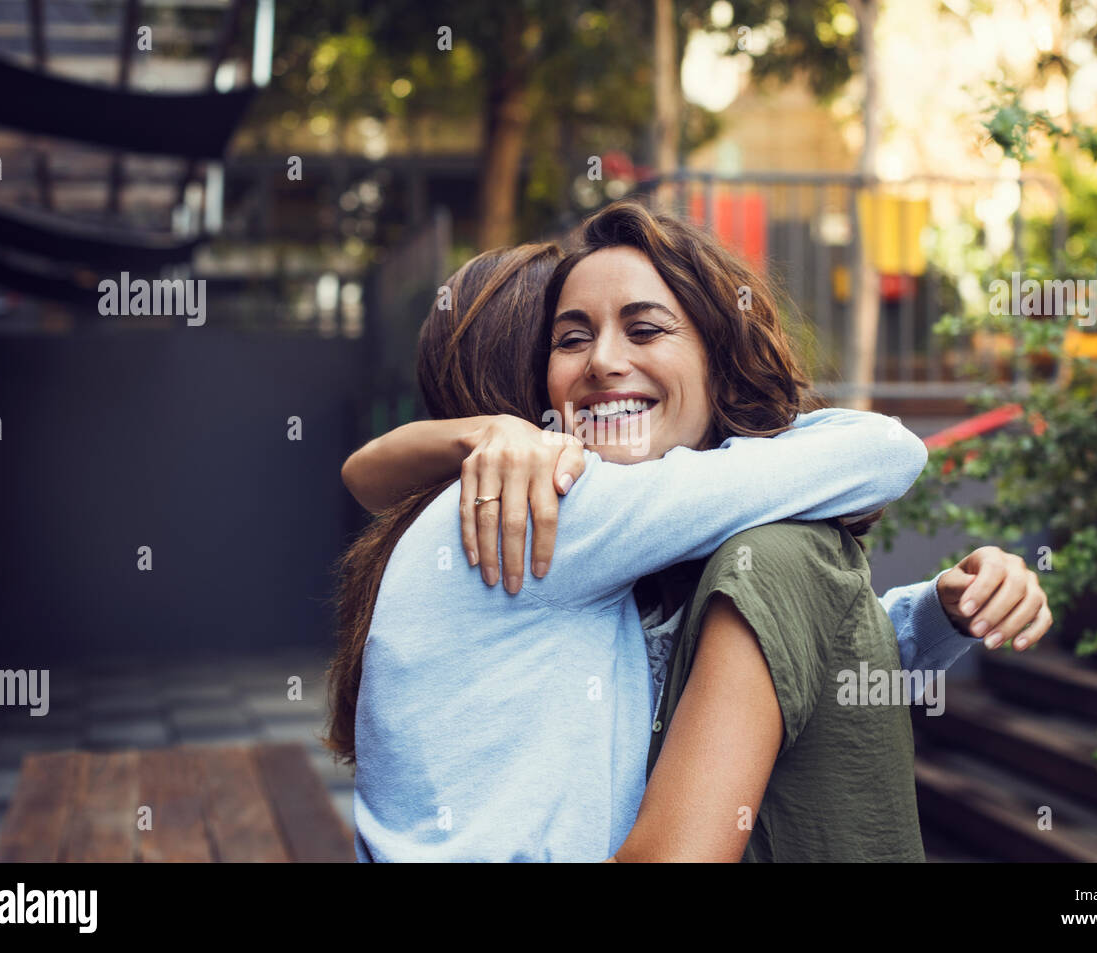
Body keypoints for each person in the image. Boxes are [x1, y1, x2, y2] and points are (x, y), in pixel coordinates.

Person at [334, 204, 1050, 862]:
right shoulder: (547, 512)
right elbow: (885, 452)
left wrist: (942, 610)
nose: (603, 363)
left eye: (643, 328)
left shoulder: (509, 535)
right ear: (528, 389)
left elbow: (751, 664)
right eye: (569, 338)